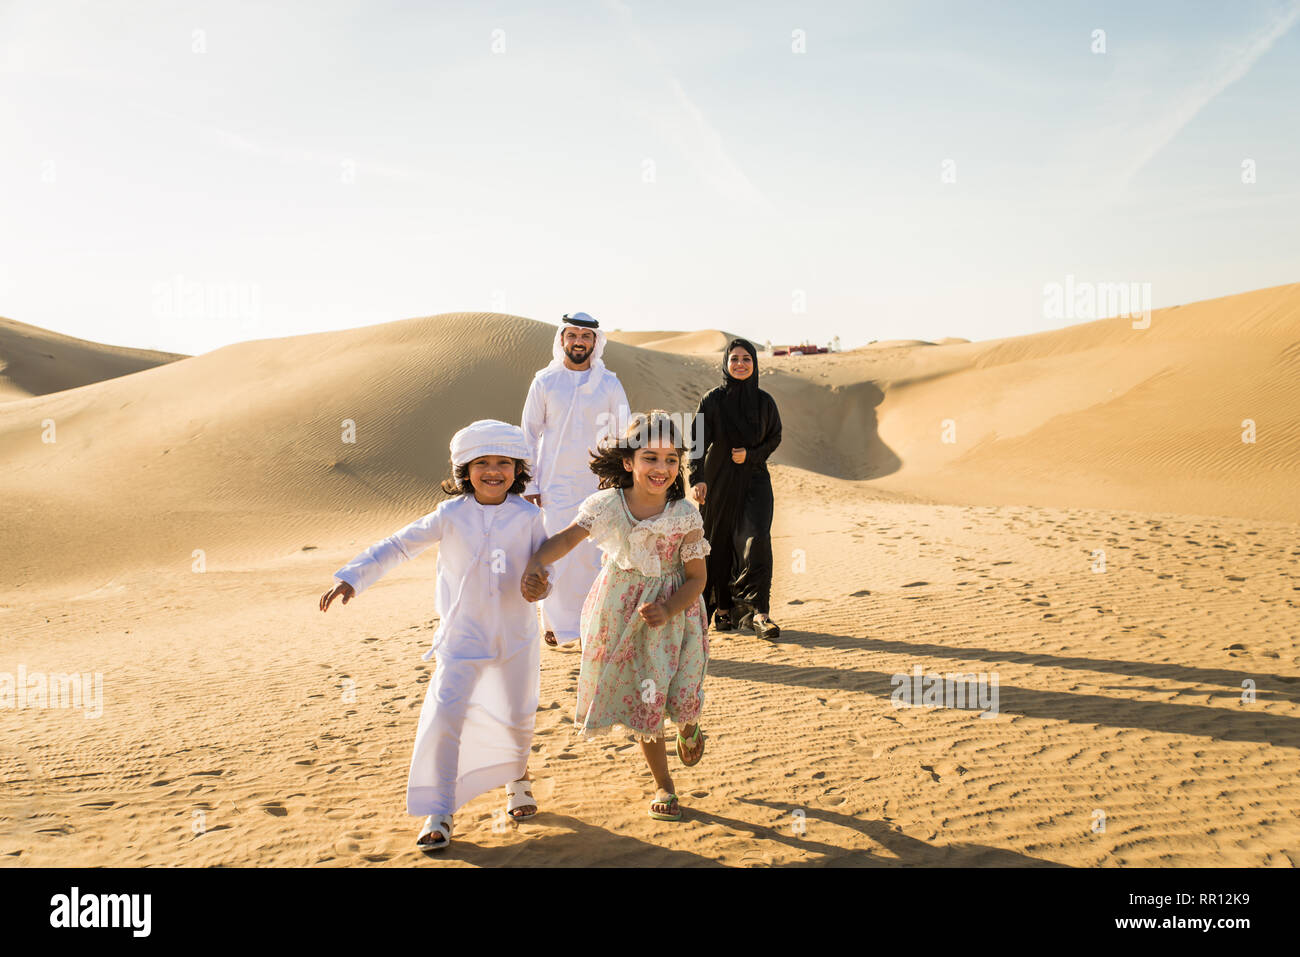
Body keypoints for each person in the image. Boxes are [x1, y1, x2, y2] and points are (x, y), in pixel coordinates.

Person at [319, 420, 554, 850]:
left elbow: (546, 567)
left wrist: (542, 586)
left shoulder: (530, 517)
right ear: (465, 469)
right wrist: (353, 577)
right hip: (461, 639)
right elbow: (399, 545)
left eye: (504, 462)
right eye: (482, 463)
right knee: (445, 718)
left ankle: (517, 781)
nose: (493, 471)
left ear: (518, 469)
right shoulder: (451, 514)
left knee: (516, 716)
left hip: (515, 638)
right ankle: (440, 808)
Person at [523, 411, 709, 822]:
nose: (661, 468)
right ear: (628, 462)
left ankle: (690, 725)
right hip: (622, 613)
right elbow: (567, 540)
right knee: (647, 701)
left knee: (681, 694)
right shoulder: (607, 506)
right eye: (650, 457)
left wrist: (668, 607)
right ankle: (664, 784)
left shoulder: (685, 514)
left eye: (671, 459)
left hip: (677, 615)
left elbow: (697, 579)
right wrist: (536, 561)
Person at [521, 312, 630, 652]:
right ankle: (553, 623)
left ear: (595, 342)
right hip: (554, 485)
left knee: (593, 555)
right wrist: (529, 484)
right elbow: (529, 433)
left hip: (598, 485)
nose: (579, 341)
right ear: (563, 340)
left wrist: (623, 480)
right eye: (573, 335)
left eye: (586, 336)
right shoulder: (544, 381)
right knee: (556, 552)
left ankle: (592, 624)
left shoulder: (610, 383)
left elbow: (624, 432)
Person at [687, 338, 783, 639]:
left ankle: (759, 612)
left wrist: (751, 456)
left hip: (755, 479)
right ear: (726, 363)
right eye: (734, 359)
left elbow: (775, 437)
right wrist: (697, 478)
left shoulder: (765, 401)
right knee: (718, 541)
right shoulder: (712, 400)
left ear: (755, 364)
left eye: (746, 359)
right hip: (719, 479)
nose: (740, 364)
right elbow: (697, 442)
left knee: (756, 539)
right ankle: (724, 611)